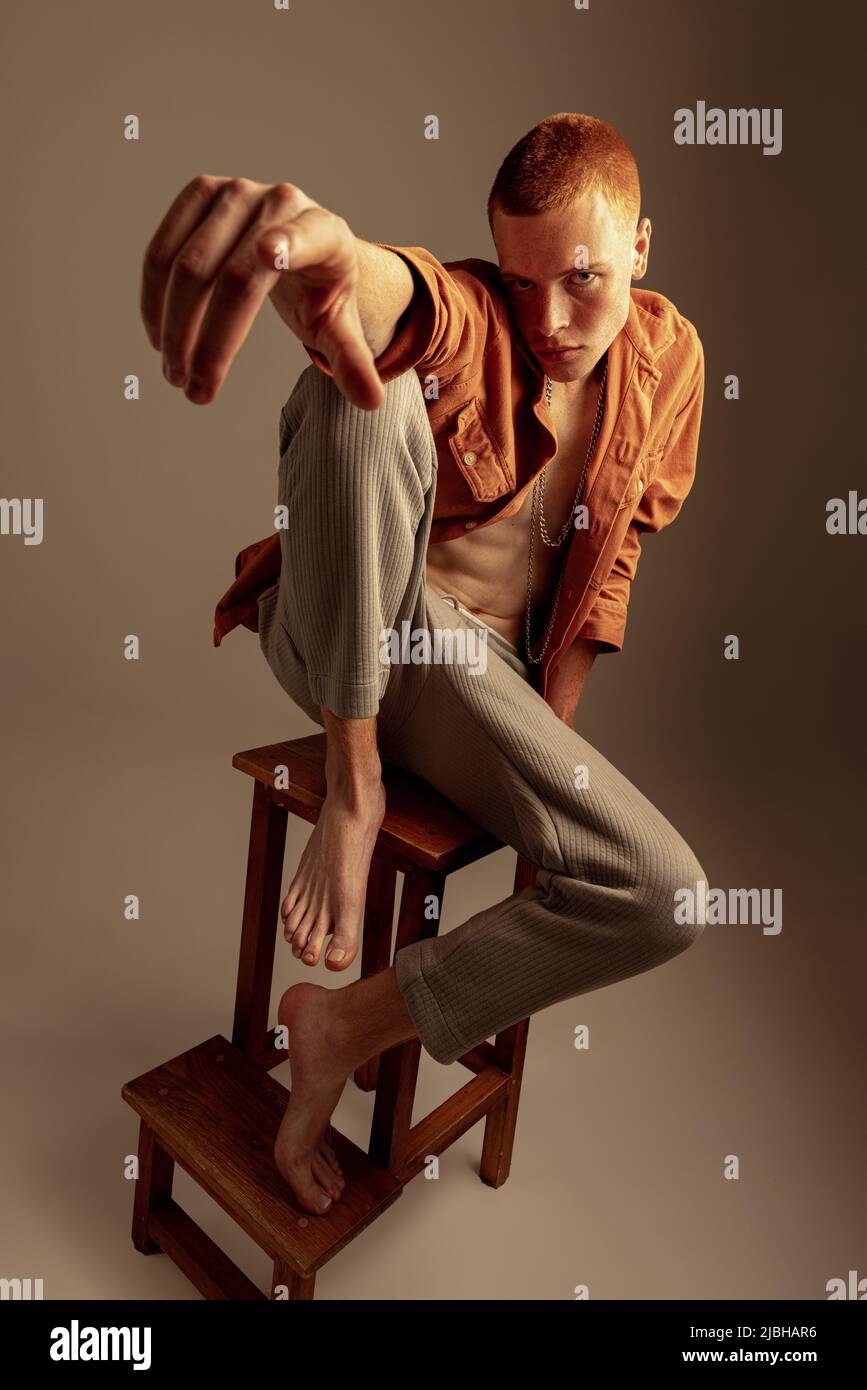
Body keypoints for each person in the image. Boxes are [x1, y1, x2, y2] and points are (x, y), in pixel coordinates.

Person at [141, 113, 708, 1217]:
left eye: (582, 280)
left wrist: (544, 763)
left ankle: (343, 1025)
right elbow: (410, 301)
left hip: (469, 682)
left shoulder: (673, 364)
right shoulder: (478, 313)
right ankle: (353, 788)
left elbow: (610, 567)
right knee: (365, 381)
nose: (547, 319)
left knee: (665, 892)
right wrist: (337, 265)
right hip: (343, 625)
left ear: (641, 248)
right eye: (523, 278)